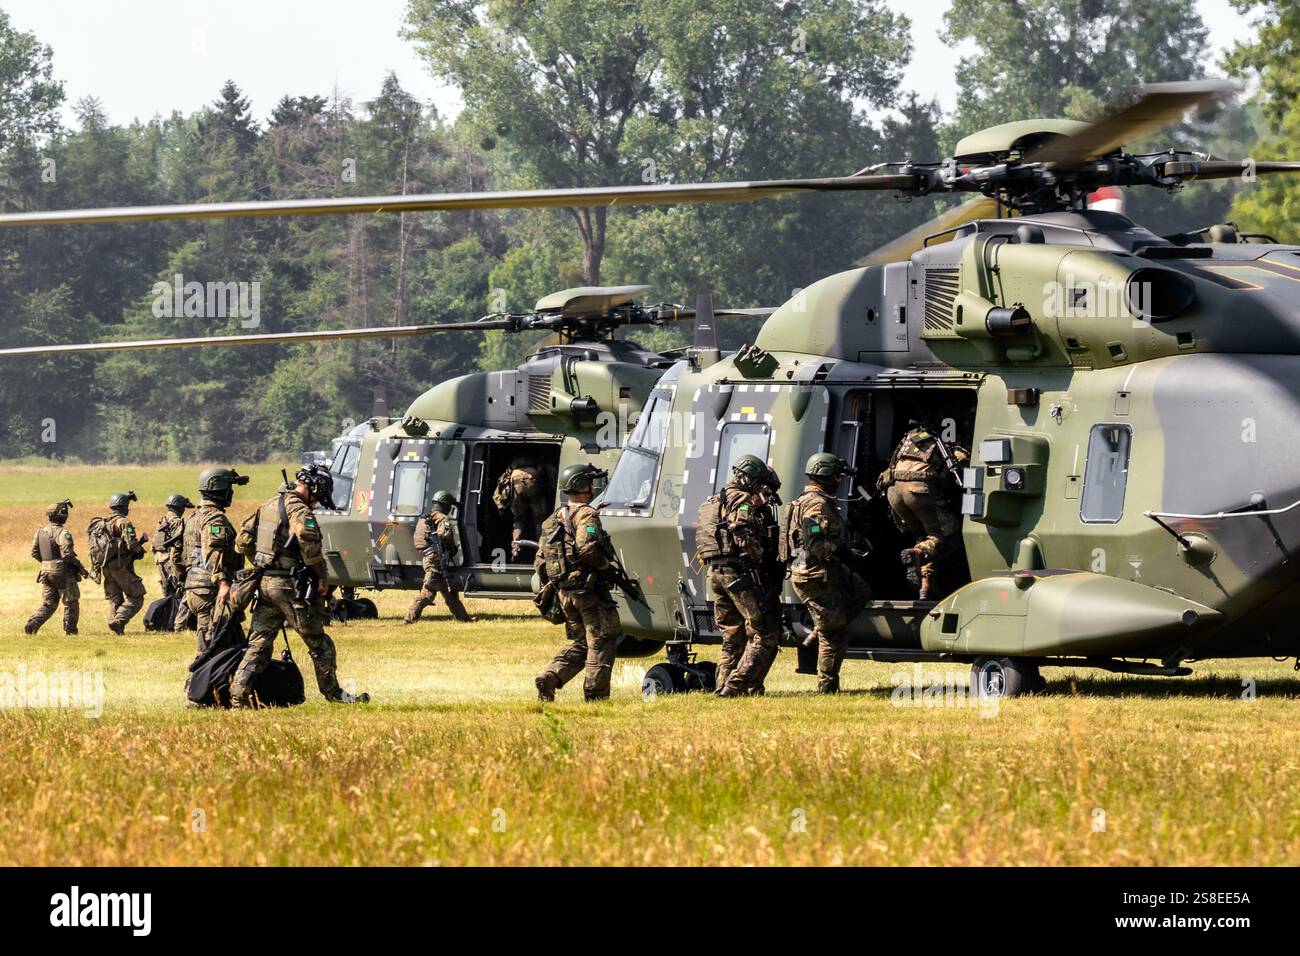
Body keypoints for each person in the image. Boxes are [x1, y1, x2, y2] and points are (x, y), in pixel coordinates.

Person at [231, 464, 367, 707]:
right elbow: (307, 538)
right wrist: (322, 575)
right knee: (319, 642)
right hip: (289, 586)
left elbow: (243, 541)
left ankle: (238, 696)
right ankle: (334, 694)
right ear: (314, 486)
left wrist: (264, 562)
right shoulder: (298, 509)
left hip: (265, 584)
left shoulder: (270, 504)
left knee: (259, 643)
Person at [533, 463, 625, 703]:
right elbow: (586, 548)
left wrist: (559, 584)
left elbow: (540, 561)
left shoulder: (553, 519)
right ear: (582, 485)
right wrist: (604, 566)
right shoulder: (586, 514)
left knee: (583, 642)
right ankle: (595, 695)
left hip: (565, 593)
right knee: (602, 641)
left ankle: (551, 677)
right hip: (588, 591)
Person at [783, 453, 871, 694]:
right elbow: (813, 542)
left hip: (814, 569)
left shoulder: (806, 499)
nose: (839, 480)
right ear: (827, 476)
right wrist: (842, 551)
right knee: (835, 633)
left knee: (861, 591)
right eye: (836, 476)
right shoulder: (817, 504)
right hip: (815, 573)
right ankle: (827, 686)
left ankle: (821, 627)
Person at [695, 454, 781, 698]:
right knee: (763, 632)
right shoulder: (741, 499)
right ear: (750, 478)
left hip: (715, 573)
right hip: (738, 573)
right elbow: (743, 533)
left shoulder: (713, 501)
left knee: (732, 634)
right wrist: (760, 554)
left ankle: (723, 685)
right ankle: (735, 686)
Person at [876, 423, 969, 599]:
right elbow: (961, 462)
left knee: (925, 538)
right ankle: (918, 554)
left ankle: (925, 587)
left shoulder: (910, 437)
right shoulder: (945, 437)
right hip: (918, 489)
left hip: (893, 491)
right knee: (946, 536)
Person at [183, 469, 248, 654]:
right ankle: (197, 681)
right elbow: (214, 551)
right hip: (210, 589)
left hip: (196, 586)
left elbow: (185, 553)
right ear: (220, 489)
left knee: (233, 642)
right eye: (229, 487)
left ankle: (230, 682)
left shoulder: (195, 516)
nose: (232, 493)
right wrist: (223, 583)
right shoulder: (214, 518)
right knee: (210, 646)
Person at [405, 490, 474, 624]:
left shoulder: (426, 517)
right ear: (446, 505)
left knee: (450, 592)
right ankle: (409, 619)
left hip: (431, 557)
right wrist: (451, 547)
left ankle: (464, 619)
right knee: (428, 592)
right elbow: (445, 535)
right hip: (436, 560)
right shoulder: (442, 518)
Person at [25, 499, 87, 636]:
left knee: (49, 603)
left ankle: (32, 624)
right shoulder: (63, 533)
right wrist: (80, 567)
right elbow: (68, 554)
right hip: (62, 573)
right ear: (62, 515)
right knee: (71, 602)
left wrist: (47, 563)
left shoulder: (40, 532)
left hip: (45, 571)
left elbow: (34, 552)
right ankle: (70, 631)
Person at [99, 491, 147, 635]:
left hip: (106, 565)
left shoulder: (104, 522)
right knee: (137, 596)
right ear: (124, 506)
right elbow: (131, 544)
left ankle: (115, 628)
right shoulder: (123, 522)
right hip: (120, 566)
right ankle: (119, 620)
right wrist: (139, 551)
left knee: (115, 598)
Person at [153, 493, 194, 628]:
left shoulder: (162, 520)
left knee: (167, 590)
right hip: (170, 559)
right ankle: (176, 622)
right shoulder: (176, 521)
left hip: (160, 559)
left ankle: (165, 621)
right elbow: (177, 544)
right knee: (178, 589)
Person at [492, 459, 546, 559]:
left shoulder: (511, 469)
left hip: (515, 483)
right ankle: (541, 549)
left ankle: (515, 549)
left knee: (519, 520)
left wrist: (500, 505)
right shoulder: (539, 462)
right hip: (534, 481)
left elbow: (501, 484)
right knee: (540, 520)